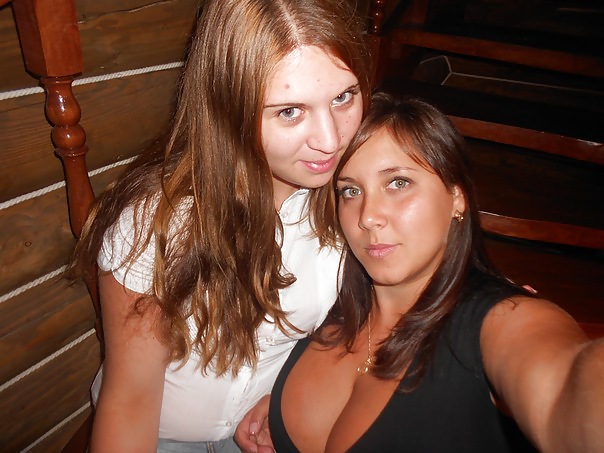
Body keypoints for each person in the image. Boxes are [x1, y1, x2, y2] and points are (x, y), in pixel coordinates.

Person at [70, 0, 371, 451]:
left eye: (343, 97)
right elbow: (130, 405)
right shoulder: (157, 224)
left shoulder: (356, 188)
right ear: (229, 108)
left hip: (275, 419)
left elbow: (362, 320)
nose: (331, 140)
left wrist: (293, 391)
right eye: (289, 111)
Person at [245, 92, 604, 452]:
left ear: (457, 197)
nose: (368, 216)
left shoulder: (499, 321)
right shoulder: (326, 298)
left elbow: (568, 390)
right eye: (351, 190)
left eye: (398, 183)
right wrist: (278, 407)